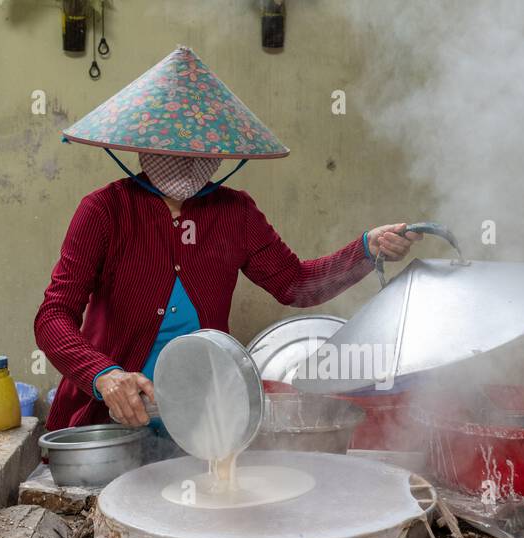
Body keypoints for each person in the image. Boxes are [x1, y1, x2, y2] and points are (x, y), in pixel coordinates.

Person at [36, 46, 420, 430]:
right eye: (172, 149)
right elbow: (53, 316)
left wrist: (366, 249)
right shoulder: (105, 210)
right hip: (108, 422)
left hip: (201, 422)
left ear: (221, 151)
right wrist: (104, 375)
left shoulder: (236, 213)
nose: (186, 160)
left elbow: (295, 284)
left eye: (199, 150)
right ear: (142, 146)